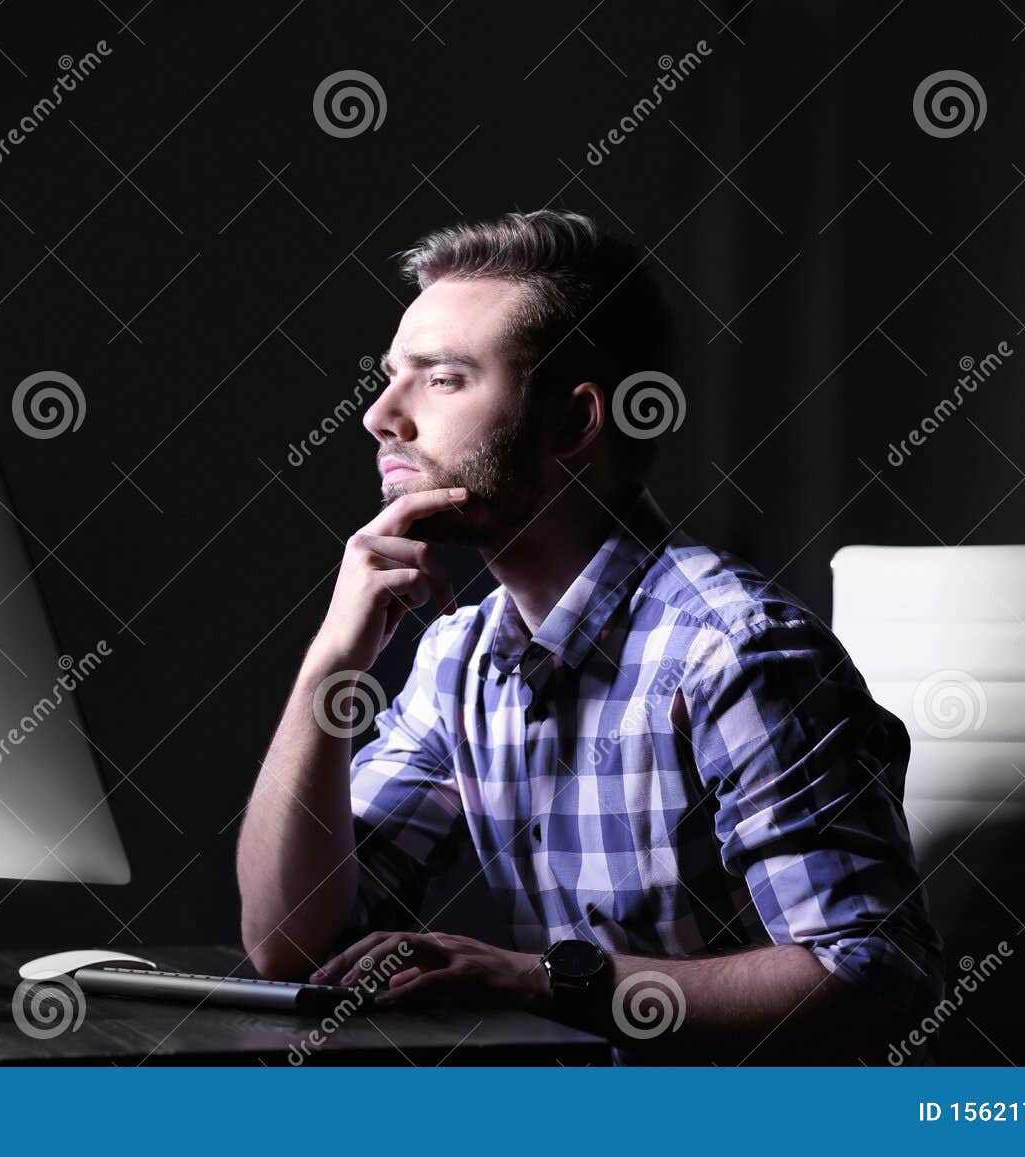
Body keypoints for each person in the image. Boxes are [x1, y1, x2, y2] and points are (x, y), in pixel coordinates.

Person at [236, 209, 943, 1063]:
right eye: (392, 378)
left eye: (444, 379)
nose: (382, 416)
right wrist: (331, 663)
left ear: (574, 423)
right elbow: (291, 943)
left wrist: (542, 977)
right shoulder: (460, 659)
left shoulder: (734, 651)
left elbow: (870, 975)